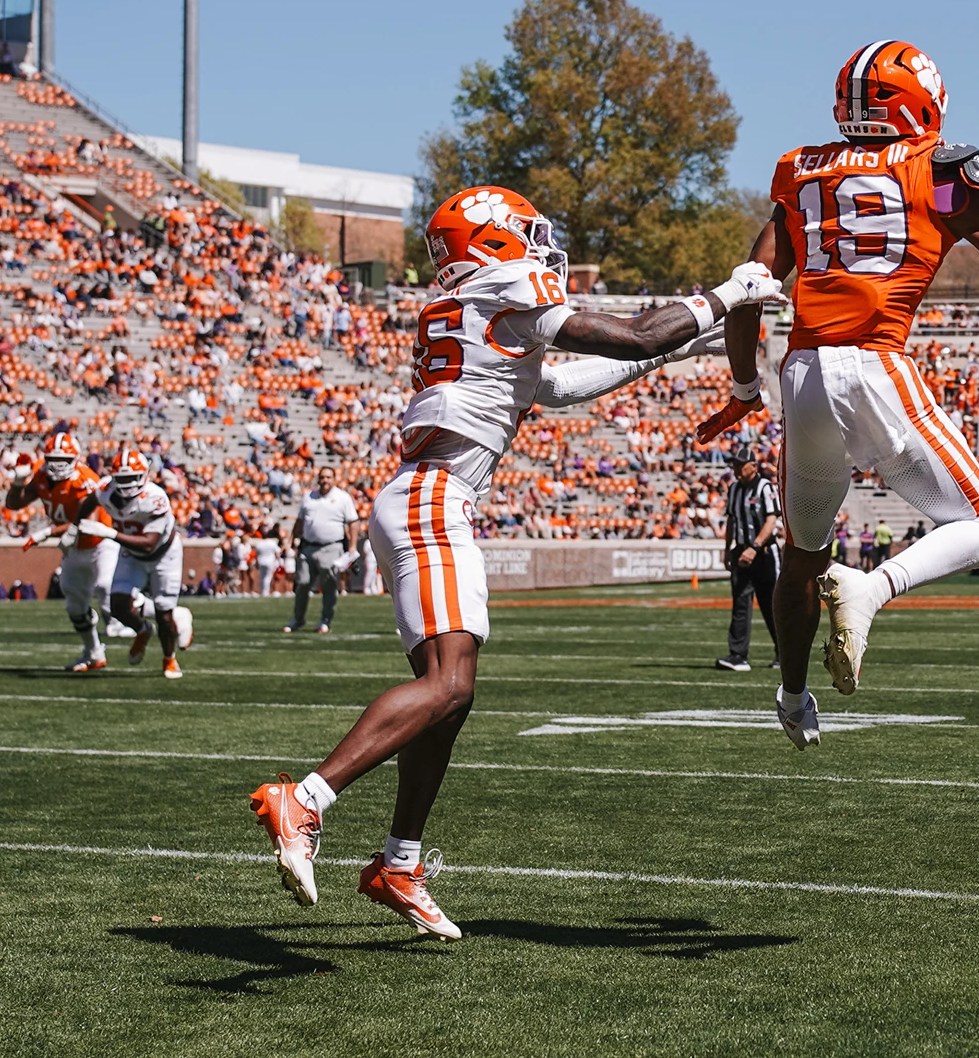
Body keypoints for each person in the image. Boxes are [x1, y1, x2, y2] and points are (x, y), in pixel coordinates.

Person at [249, 185, 783, 938]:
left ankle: (399, 863)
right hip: (433, 499)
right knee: (446, 686)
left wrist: (677, 346)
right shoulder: (505, 284)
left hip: (426, 498)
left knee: (451, 696)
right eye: (526, 233)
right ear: (493, 240)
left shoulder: (468, 303)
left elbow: (555, 385)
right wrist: (728, 295)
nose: (539, 245)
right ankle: (305, 798)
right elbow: (631, 336)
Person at [693, 42, 979, 747]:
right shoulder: (938, 171)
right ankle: (871, 587)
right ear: (921, 104)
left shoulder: (802, 170)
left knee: (802, 554)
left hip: (802, 375)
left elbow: (749, 289)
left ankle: (792, 698)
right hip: (874, 364)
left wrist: (746, 387)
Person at [6, 431, 119, 672]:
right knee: (75, 607)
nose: (57, 466)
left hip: (100, 542)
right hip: (73, 548)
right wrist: (18, 482)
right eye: (53, 460)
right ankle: (93, 653)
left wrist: (47, 533)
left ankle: (156, 613)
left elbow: (85, 522)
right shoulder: (41, 474)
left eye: (63, 460)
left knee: (106, 586)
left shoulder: (85, 479)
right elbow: (14, 504)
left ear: (75, 459)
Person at [82, 448, 191, 679]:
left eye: (132, 478)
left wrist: (109, 533)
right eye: (121, 479)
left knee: (164, 613)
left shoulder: (155, 498)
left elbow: (149, 544)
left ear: (145, 475)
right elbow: (90, 500)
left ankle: (169, 659)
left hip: (164, 554)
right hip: (131, 553)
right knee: (117, 604)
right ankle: (143, 630)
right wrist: (75, 526)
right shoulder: (106, 490)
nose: (127, 484)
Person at [717, 453, 781, 672]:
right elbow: (731, 519)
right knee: (740, 603)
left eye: (740, 464)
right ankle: (738, 655)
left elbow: (771, 520)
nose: (736, 468)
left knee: (772, 604)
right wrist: (728, 549)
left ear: (753, 466)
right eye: (734, 465)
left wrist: (755, 547)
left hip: (764, 553)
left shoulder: (765, 487)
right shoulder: (734, 489)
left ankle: (785, 654)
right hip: (741, 551)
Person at [287, 466, 362, 635]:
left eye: (328, 477)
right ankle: (298, 619)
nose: (325, 480)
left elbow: (353, 522)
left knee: (329, 584)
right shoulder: (309, 497)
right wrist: (291, 541)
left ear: (334, 479)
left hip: (331, 546)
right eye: (322, 477)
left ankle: (325, 620)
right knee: (302, 583)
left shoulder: (342, 498)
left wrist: (352, 546)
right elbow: (300, 521)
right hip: (308, 546)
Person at [255, 527, 282, 598]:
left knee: (262, 577)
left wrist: (256, 562)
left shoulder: (259, 543)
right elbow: (277, 553)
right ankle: (265, 592)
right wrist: (279, 561)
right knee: (267, 577)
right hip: (270, 562)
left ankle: (263, 591)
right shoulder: (272, 543)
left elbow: (257, 554)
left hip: (261, 561)